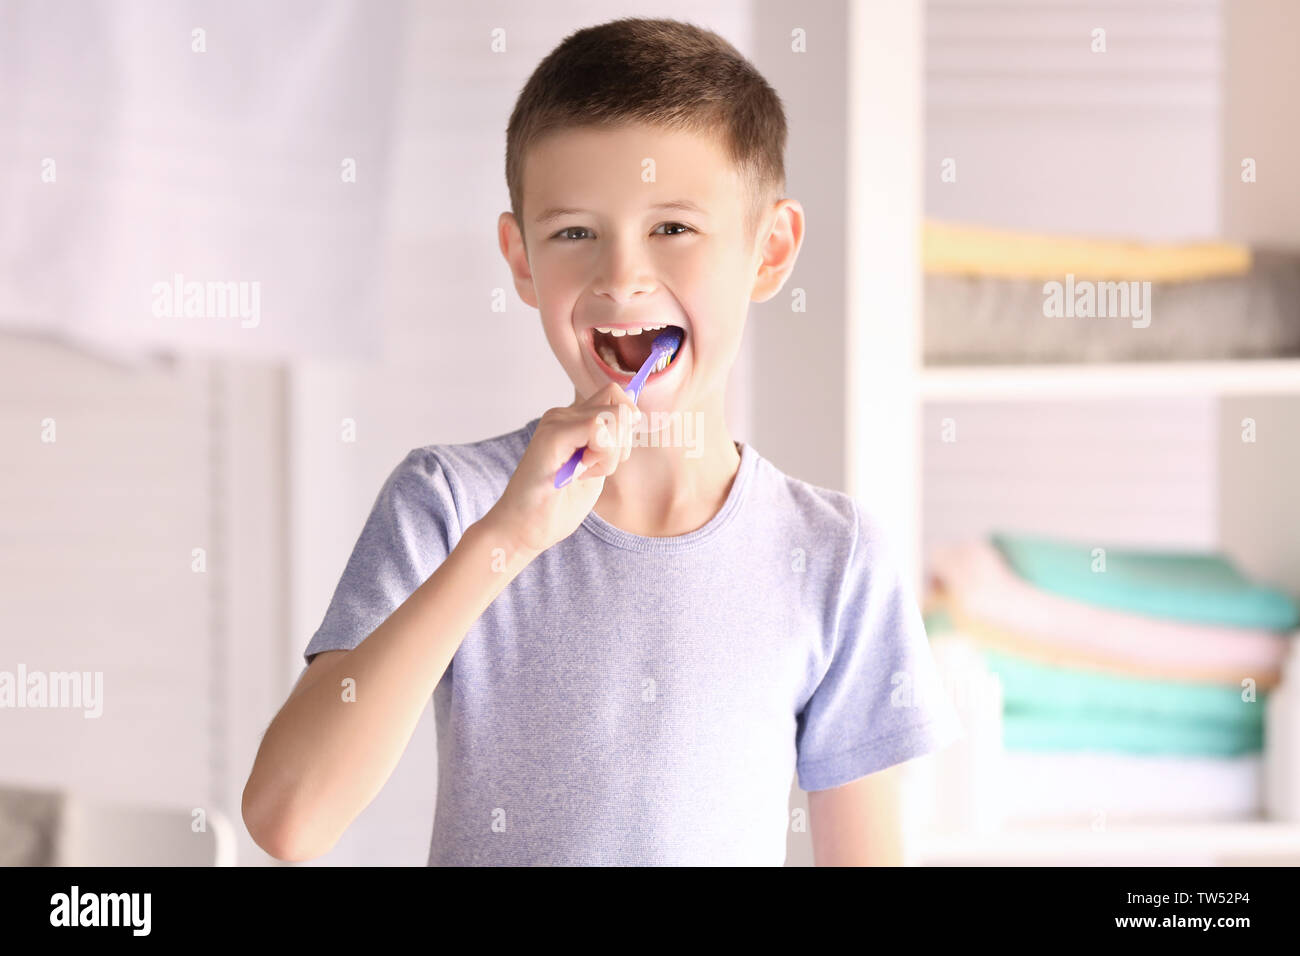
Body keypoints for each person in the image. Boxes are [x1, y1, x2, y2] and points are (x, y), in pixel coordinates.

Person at [242, 16, 961, 866]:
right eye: (574, 232)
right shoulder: (450, 504)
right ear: (521, 260)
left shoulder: (834, 559)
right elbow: (289, 818)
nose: (621, 277)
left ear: (770, 252)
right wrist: (505, 542)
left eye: (674, 228)